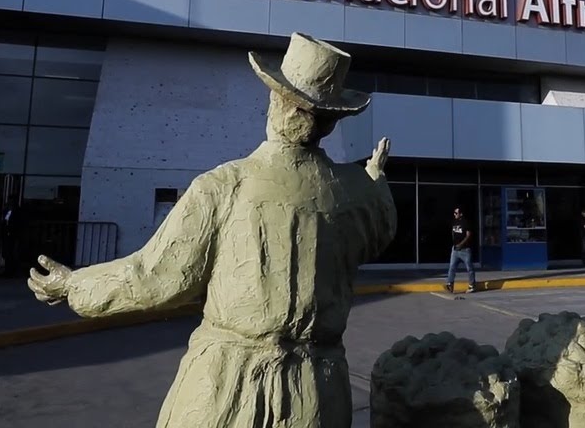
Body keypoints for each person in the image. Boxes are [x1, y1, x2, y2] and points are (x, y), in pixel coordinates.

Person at [27, 33, 396, 428]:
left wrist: (74, 286)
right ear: (331, 120)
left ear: (276, 104)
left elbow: (156, 277)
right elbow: (381, 229)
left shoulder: (224, 185)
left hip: (227, 387)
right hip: (319, 392)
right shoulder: (357, 193)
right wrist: (375, 179)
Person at [446, 207, 476, 293]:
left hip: (465, 250)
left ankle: (472, 285)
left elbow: (468, 235)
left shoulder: (465, 222)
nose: (454, 214)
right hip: (455, 250)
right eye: (454, 213)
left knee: (469, 267)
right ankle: (450, 284)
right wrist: (455, 244)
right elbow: (453, 233)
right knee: (452, 267)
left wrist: (461, 244)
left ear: (461, 214)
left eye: (456, 213)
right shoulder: (454, 222)